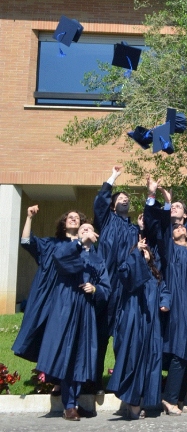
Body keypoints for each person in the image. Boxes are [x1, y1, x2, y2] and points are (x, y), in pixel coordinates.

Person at [37, 223, 110, 421]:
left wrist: (95, 289)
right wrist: (78, 243)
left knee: (82, 356)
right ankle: (69, 405)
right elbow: (60, 260)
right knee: (68, 355)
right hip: (67, 307)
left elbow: (106, 287)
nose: (86, 232)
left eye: (89, 229)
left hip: (86, 310)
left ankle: (74, 402)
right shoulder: (66, 249)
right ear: (77, 235)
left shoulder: (98, 259)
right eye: (82, 230)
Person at [144, 185, 187, 415]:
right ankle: (169, 398)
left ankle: (179, 396)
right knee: (179, 349)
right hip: (176, 304)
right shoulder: (170, 250)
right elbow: (163, 229)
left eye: (182, 226)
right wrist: (166, 203)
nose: (178, 228)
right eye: (175, 227)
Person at [13, 207, 86, 370]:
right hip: (51, 295)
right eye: (70, 217)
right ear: (64, 224)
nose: (74, 219)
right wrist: (29, 218)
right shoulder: (50, 244)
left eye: (77, 218)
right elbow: (26, 242)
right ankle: (53, 378)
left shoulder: (87, 247)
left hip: (75, 296)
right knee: (51, 335)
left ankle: (69, 379)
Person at [107, 237, 170, 420]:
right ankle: (133, 403)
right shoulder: (130, 270)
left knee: (150, 360)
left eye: (146, 251)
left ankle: (140, 400)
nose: (144, 252)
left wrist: (165, 302)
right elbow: (124, 272)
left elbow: (165, 290)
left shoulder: (156, 275)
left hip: (152, 323)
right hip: (134, 321)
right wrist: (135, 253)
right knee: (133, 359)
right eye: (139, 251)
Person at [93, 165, 140, 394]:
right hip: (105, 284)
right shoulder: (106, 221)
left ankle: (121, 383)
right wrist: (113, 176)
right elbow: (99, 202)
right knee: (100, 335)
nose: (124, 199)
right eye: (120, 197)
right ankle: (93, 382)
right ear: (112, 205)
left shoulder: (133, 230)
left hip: (125, 288)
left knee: (123, 337)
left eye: (127, 198)